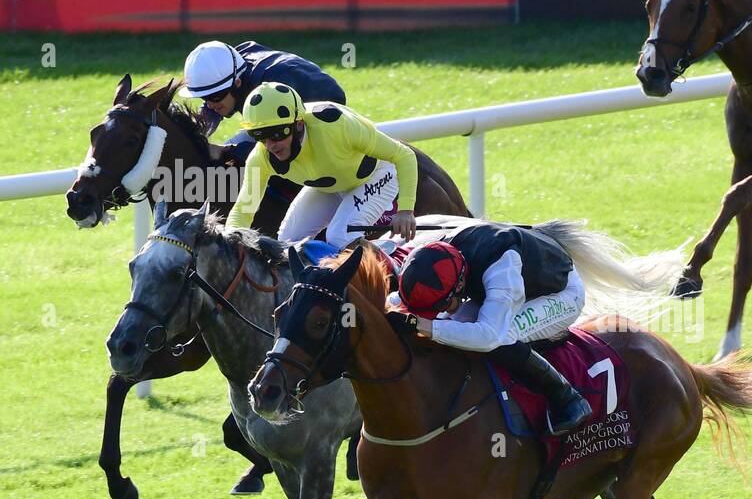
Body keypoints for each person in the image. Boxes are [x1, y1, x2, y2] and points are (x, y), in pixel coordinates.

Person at [388, 218, 594, 436]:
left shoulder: (502, 271)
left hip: (561, 294)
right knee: (454, 325)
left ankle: (568, 399)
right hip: (505, 281)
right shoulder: (434, 254)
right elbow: (398, 302)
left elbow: (489, 336)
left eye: (445, 303)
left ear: (459, 284)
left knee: (503, 337)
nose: (445, 309)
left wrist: (424, 325)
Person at [225, 83, 418, 247]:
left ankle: (392, 269)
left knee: (339, 236)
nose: (270, 145)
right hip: (329, 187)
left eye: (277, 133)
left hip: (376, 175)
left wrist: (406, 210)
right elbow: (244, 208)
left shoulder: (338, 127)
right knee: (287, 242)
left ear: (299, 125)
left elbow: (404, 155)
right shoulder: (261, 156)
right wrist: (229, 241)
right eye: (259, 136)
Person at [179, 40, 346, 166]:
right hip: (278, 118)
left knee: (241, 156)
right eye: (204, 97)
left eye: (215, 96)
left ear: (237, 83)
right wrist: (192, 138)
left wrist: (229, 151)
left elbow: (277, 144)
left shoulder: (269, 88)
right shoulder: (234, 67)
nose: (209, 104)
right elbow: (208, 115)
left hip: (320, 120)